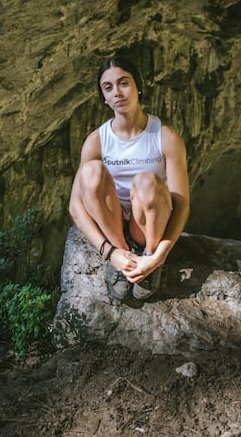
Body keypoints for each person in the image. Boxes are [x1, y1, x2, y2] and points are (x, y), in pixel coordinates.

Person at [69, 56, 190, 301]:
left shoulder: (165, 136)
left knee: (146, 181)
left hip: (148, 224)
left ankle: (145, 257)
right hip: (112, 225)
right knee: (91, 171)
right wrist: (110, 252)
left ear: (138, 86)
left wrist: (158, 256)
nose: (117, 92)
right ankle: (124, 259)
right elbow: (75, 206)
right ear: (104, 97)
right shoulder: (96, 141)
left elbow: (182, 204)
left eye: (124, 83)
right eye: (108, 87)